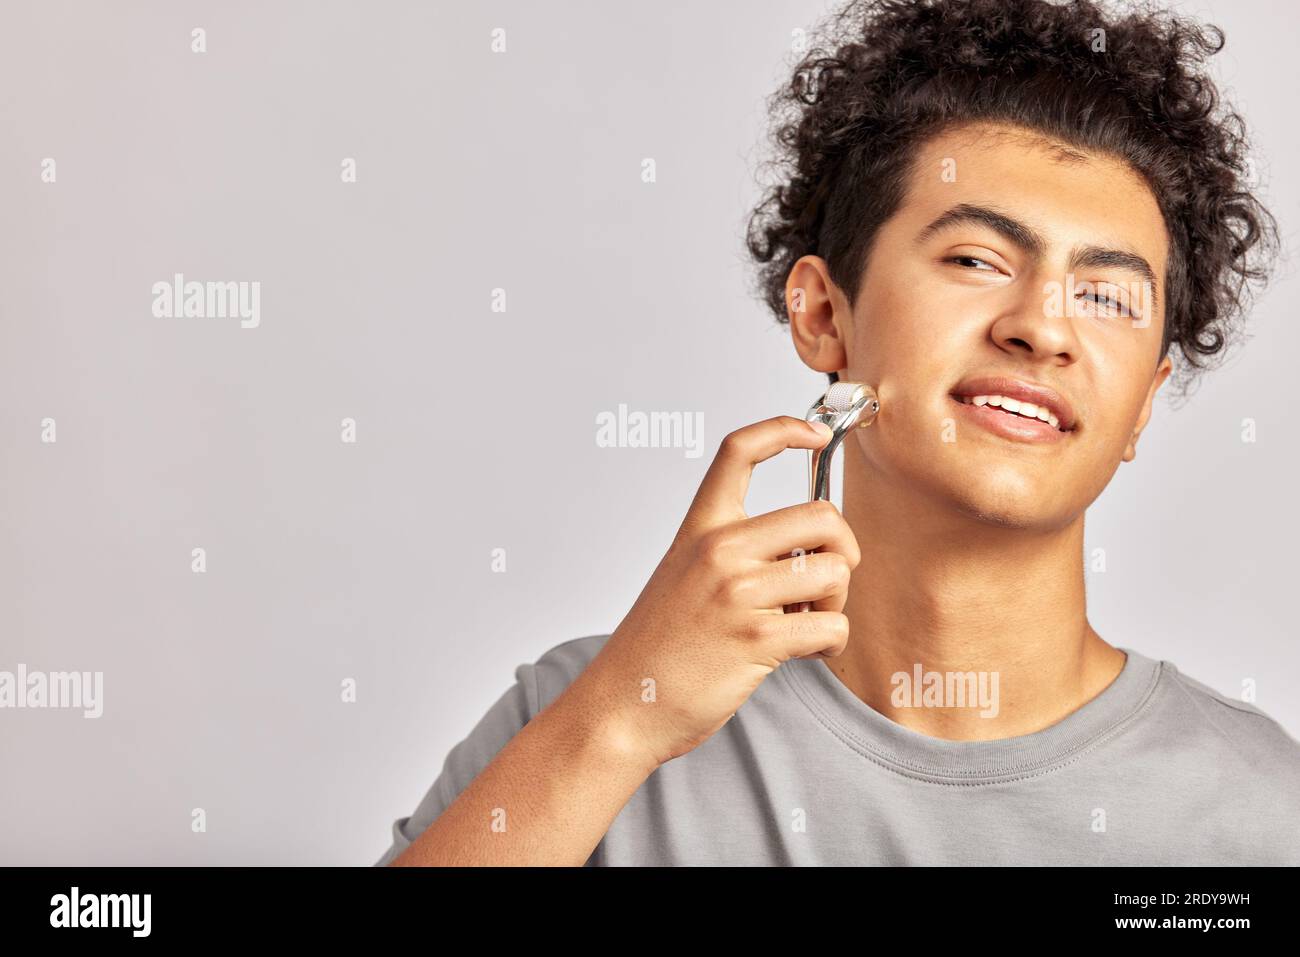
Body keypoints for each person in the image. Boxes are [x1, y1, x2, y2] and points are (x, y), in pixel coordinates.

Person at [377, 0, 1298, 866]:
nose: (1042, 327)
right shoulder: (582, 716)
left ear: (1144, 403)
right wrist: (622, 719)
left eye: (1106, 296)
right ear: (823, 314)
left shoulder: (1261, 812)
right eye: (977, 259)